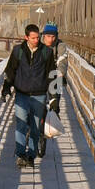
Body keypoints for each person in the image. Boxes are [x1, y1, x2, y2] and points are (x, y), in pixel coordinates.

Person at [1, 24, 56, 168]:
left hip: (39, 95)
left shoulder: (47, 52)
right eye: (33, 38)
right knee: (21, 124)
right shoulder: (18, 51)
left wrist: (54, 97)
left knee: (36, 127)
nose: (37, 40)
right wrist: (6, 88)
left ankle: (31, 156)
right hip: (22, 94)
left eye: (38, 37)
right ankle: (20, 155)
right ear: (26, 37)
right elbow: (10, 71)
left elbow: (53, 76)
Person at [37, 23, 61, 160]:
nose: (50, 39)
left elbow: (57, 71)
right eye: (48, 36)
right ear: (43, 36)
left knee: (53, 105)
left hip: (51, 80)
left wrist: (54, 99)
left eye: (53, 37)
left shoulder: (59, 48)